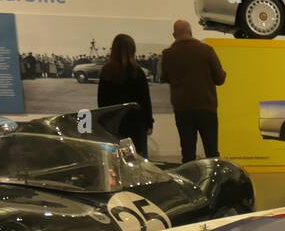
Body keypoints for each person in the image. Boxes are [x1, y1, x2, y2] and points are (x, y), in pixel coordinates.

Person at [161, 20, 226, 162]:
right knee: (211, 151)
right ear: (190, 31)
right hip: (206, 106)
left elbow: (164, 77)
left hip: (182, 108)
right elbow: (220, 79)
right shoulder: (207, 50)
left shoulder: (168, 54)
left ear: (174, 35)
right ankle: (214, 182)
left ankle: (189, 181)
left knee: (188, 151)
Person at [96, 34, 153, 156]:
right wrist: (149, 123)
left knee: (115, 159)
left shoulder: (107, 71)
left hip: (113, 122)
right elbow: (145, 100)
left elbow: (101, 100)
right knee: (137, 158)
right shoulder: (137, 72)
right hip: (135, 123)